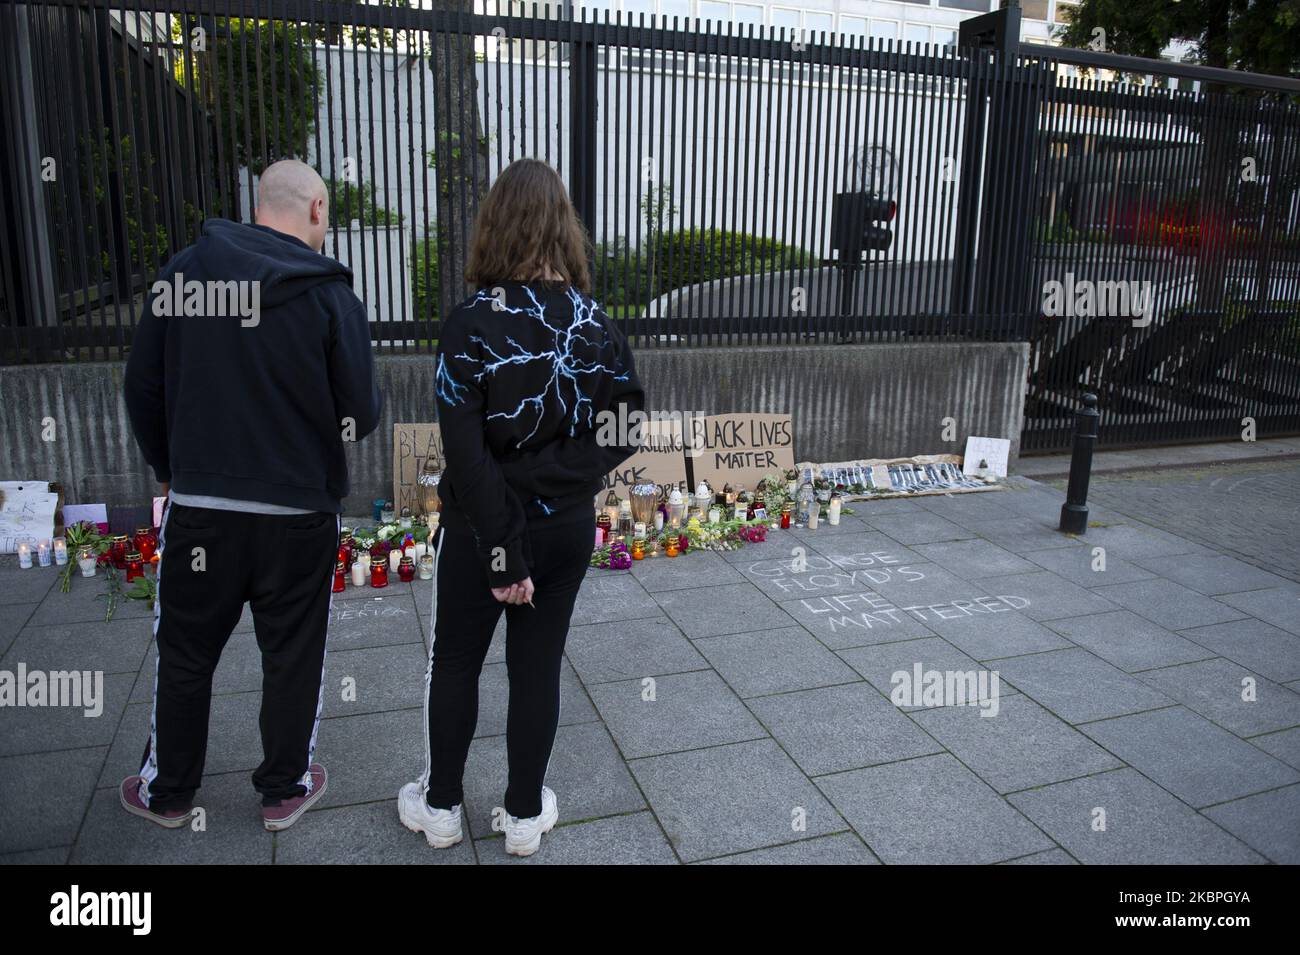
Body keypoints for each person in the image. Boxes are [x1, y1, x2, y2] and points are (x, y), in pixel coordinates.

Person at [120, 159, 382, 831]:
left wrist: (167, 466)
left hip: (202, 507)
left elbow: (141, 385)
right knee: (292, 653)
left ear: (258, 205)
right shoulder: (330, 295)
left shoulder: (184, 274)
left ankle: (169, 791)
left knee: (184, 651)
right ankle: (282, 789)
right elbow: (363, 409)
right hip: (298, 514)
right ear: (318, 210)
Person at [397, 158, 646, 857]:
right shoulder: (594, 322)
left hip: (482, 529)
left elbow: (469, 458)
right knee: (536, 666)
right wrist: (549, 481)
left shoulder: (469, 324)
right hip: (562, 527)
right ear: (564, 227)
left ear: (495, 227)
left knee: (455, 663)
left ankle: (441, 805)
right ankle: (525, 812)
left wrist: (504, 538)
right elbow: (623, 431)